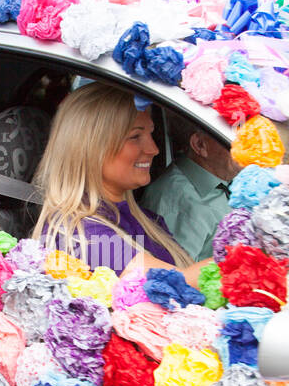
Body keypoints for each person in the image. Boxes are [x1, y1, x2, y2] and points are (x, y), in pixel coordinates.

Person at [32, 82, 210, 282]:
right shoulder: (83, 234)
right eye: (135, 136)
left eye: (151, 134)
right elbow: (177, 285)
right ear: (92, 148)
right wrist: (243, 260)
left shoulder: (145, 219)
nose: (153, 149)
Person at [141, 115, 234, 262]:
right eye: (231, 134)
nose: (245, 145)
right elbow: (177, 277)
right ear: (199, 144)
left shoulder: (219, 183)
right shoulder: (181, 199)